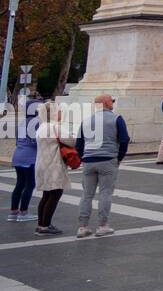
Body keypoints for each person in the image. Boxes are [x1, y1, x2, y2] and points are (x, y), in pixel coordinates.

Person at [75, 94, 129, 238]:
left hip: (88, 160)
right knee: (105, 193)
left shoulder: (86, 120)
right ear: (106, 103)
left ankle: (82, 226)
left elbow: (79, 143)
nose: (113, 103)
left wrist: (83, 158)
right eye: (111, 101)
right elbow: (124, 140)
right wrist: (119, 158)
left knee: (87, 195)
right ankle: (102, 225)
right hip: (108, 158)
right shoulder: (116, 118)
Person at [34, 101, 70, 236]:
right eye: (59, 110)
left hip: (42, 164)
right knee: (55, 194)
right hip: (53, 165)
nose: (61, 112)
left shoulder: (42, 127)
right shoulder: (56, 127)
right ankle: (45, 225)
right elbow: (72, 140)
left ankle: (41, 224)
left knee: (46, 195)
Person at [8, 93, 42, 222]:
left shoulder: (22, 122)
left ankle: (13, 212)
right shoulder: (36, 122)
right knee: (30, 184)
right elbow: (35, 141)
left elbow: (18, 139)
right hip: (29, 157)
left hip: (18, 155)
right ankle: (23, 212)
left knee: (19, 184)